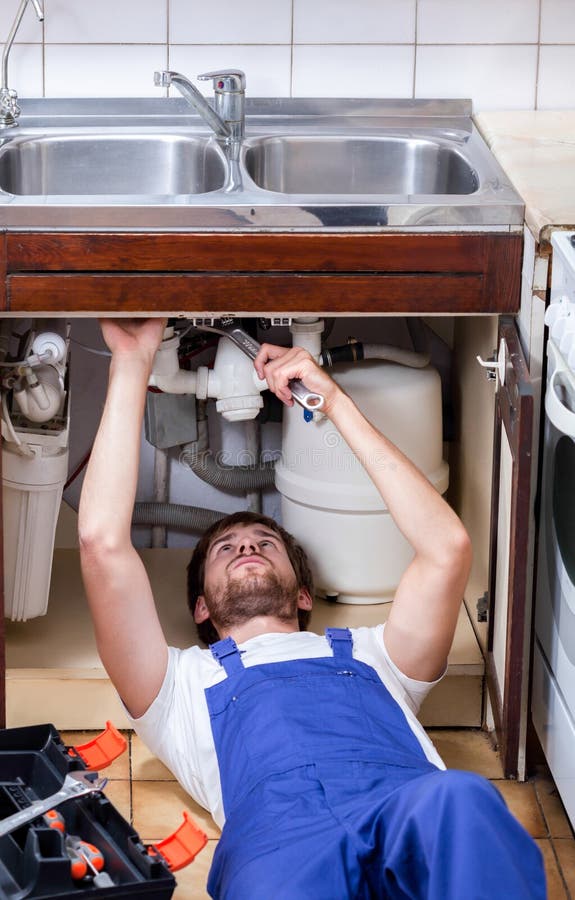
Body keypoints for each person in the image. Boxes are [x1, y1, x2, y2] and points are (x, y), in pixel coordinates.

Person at [79, 318, 546, 900]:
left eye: (264, 543)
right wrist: (131, 360)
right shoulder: (176, 688)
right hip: (281, 848)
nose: (246, 545)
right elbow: (101, 546)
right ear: (201, 607)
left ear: (303, 594)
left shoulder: (378, 656)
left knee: (463, 798)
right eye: (227, 549)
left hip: (402, 807)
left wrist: (335, 401)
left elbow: (446, 549)